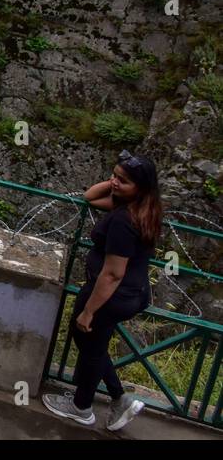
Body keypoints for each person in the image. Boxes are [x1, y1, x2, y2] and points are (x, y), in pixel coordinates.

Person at [43, 151, 161, 431]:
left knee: (88, 343)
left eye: (124, 181)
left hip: (111, 295)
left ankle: (83, 407)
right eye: (114, 175)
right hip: (134, 293)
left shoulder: (124, 220)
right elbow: (89, 196)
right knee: (92, 344)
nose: (115, 182)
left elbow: (112, 273)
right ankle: (118, 399)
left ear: (141, 188)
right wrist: (117, 181)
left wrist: (89, 310)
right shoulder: (143, 208)